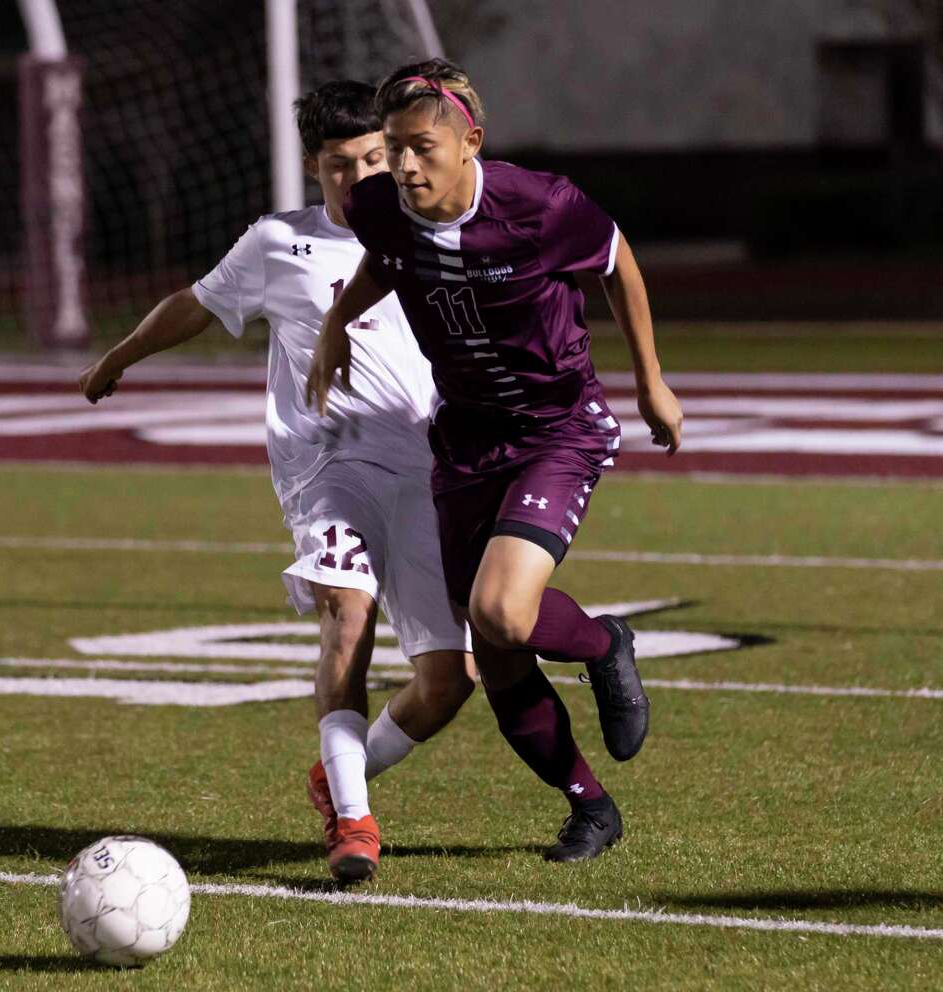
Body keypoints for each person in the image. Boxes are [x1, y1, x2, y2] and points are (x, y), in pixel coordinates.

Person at [79, 81, 475, 883]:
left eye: (374, 159)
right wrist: (118, 357)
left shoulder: (435, 232)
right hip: (329, 469)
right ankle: (353, 822)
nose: (359, 178)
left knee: (448, 681)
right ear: (311, 167)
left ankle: (339, 773)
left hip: (427, 469)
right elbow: (195, 304)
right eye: (339, 165)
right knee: (347, 616)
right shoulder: (278, 243)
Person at [307, 59, 685, 862]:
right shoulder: (380, 207)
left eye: (422, 147)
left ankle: (603, 643)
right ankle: (590, 806)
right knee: (498, 654)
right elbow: (385, 261)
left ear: (470, 142)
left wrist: (651, 381)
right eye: (394, 148)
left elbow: (617, 261)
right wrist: (339, 322)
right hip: (465, 443)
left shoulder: (540, 205)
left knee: (502, 613)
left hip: (557, 430)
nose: (405, 165)